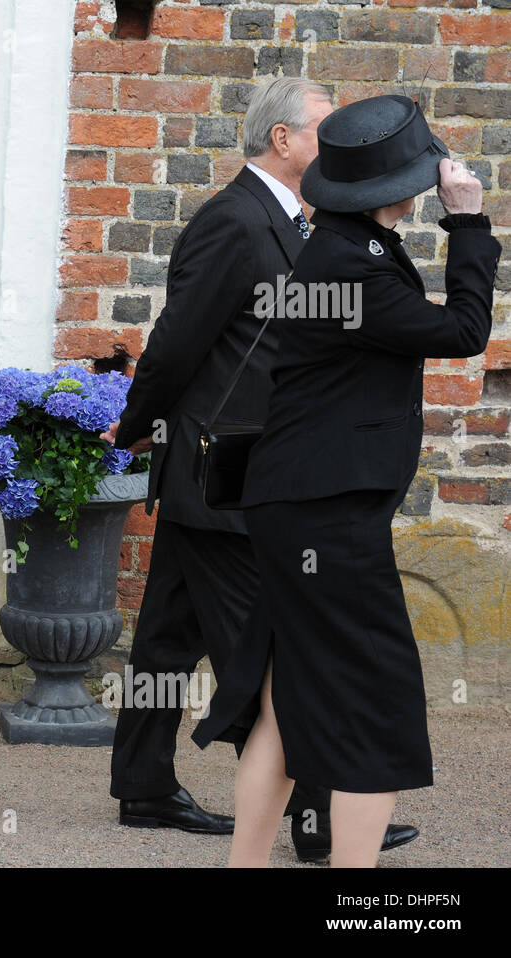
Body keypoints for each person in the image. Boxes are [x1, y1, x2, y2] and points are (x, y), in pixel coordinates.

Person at [104, 78, 417, 861]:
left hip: (224, 473)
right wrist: (134, 427)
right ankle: (318, 813)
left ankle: (143, 785)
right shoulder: (234, 221)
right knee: (277, 651)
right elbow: (178, 341)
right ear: (283, 141)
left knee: (169, 638)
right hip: (225, 475)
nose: (338, 148)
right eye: (324, 131)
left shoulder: (295, 224)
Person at [192, 95, 500, 867]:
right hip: (325, 518)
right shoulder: (353, 266)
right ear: (403, 182)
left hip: (299, 508)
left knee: (284, 704)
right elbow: (462, 332)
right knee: (371, 704)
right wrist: (467, 222)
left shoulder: (346, 243)